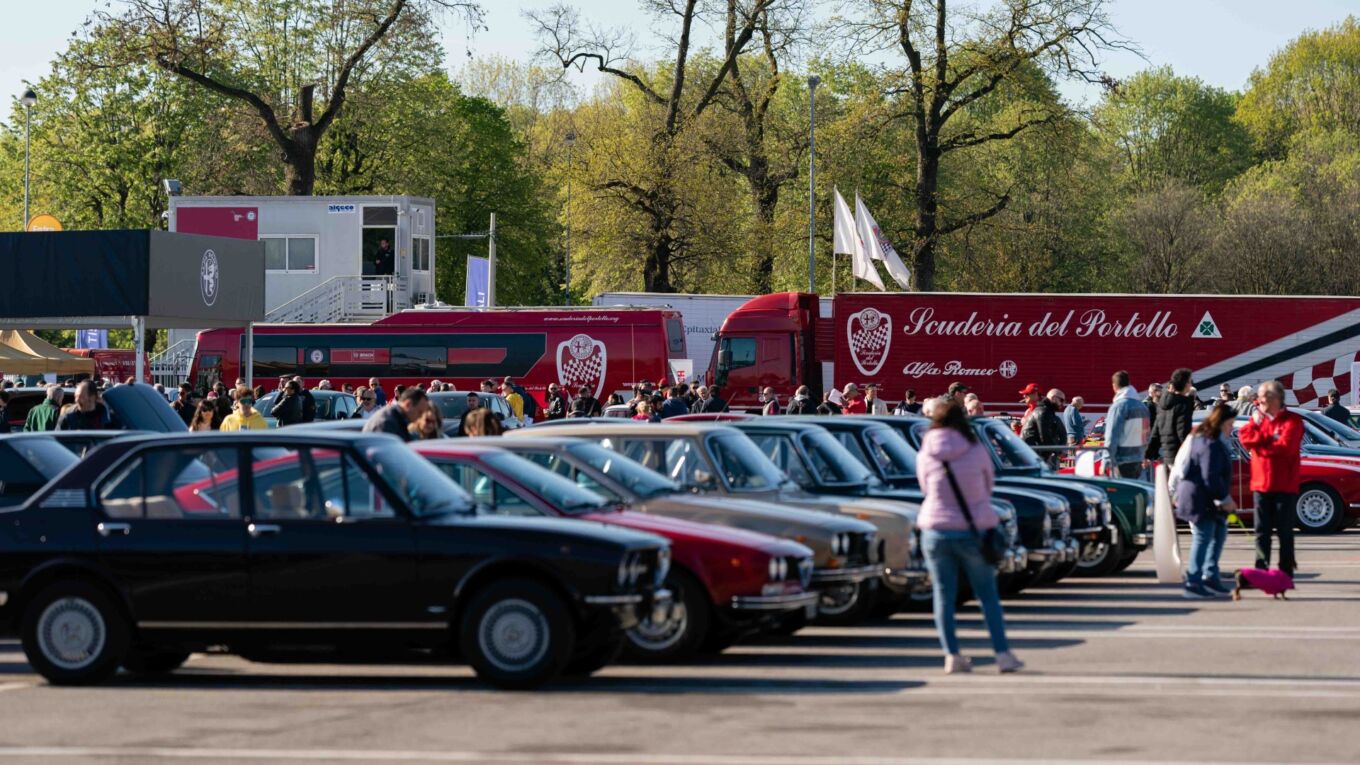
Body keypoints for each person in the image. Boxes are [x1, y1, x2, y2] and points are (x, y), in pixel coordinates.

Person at [916, 398, 1022, 675]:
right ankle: (1002, 655)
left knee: (943, 596)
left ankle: (952, 656)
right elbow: (988, 487)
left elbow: (925, 487)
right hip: (973, 529)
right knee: (987, 595)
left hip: (935, 530)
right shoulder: (975, 450)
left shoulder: (927, 451)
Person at [1238, 380, 1304, 576]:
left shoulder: (1292, 420)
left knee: (1285, 532)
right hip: (1261, 485)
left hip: (1285, 485)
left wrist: (1260, 446)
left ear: (1275, 398)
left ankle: (1285, 572)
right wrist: (1268, 439)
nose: (1259, 400)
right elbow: (1244, 438)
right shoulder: (1257, 418)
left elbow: (1286, 448)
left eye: (1262, 397)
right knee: (1261, 532)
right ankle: (1261, 569)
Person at [1175, 404, 1237, 599]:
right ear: (1220, 423)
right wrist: (1225, 499)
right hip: (1199, 497)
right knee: (1203, 537)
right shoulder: (1209, 443)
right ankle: (1193, 581)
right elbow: (1209, 476)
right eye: (1229, 424)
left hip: (1206, 496)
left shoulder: (1205, 439)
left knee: (1219, 532)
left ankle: (1210, 576)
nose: (1231, 429)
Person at [1104, 370, 1151, 479]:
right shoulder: (1142, 406)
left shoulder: (1118, 407)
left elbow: (1112, 436)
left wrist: (1106, 461)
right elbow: (1146, 434)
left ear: (1114, 386)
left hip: (1122, 461)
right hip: (1138, 460)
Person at [1157, 368, 1196, 463]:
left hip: (1167, 454)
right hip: (1179, 454)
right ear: (1186, 384)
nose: (1191, 385)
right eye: (1190, 382)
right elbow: (1183, 431)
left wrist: (1149, 453)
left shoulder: (1162, 405)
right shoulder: (1182, 404)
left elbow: (1156, 430)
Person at [363, 387, 428, 443]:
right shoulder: (387, 423)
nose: (421, 417)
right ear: (408, 404)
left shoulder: (396, 418)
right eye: (420, 412)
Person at [1019, 385, 1065, 462]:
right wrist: (1056, 451)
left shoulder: (1046, 411)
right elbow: (1044, 436)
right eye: (1061, 400)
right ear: (1053, 398)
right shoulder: (1043, 411)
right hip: (1031, 453)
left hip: (1031, 452)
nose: (1062, 403)